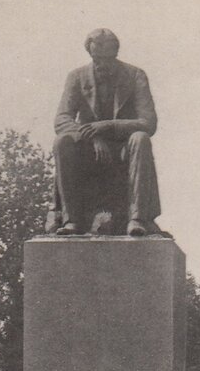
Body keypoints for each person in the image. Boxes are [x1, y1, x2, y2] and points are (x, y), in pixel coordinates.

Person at [50, 28, 163, 237]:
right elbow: (62, 119)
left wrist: (107, 126)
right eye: (97, 57)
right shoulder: (76, 77)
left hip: (124, 148)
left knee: (141, 138)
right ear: (90, 53)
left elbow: (148, 122)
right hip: (89, 151)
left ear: (116, 54)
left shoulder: (135, 75)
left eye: (108, 58)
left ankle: (136, 219)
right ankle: (71, 219)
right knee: (62, 142)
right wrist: (93, 137)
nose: (103, 63)